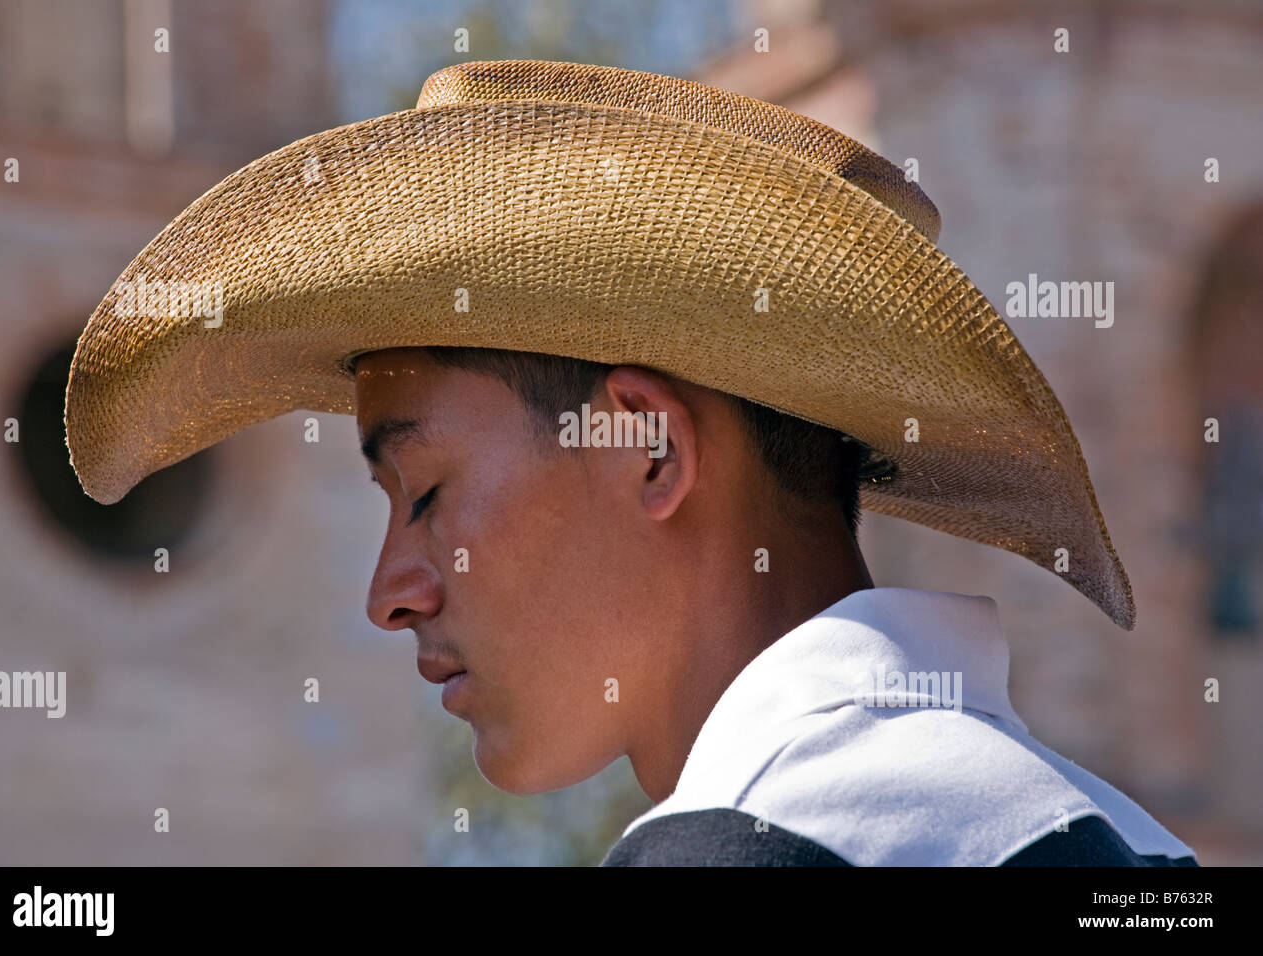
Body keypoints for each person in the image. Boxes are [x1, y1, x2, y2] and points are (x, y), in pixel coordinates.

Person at [65, 59, 1197, 866]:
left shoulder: (763, 844)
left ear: (646, 446)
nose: (390, 593)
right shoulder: (1129, 844)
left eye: (424, 493)